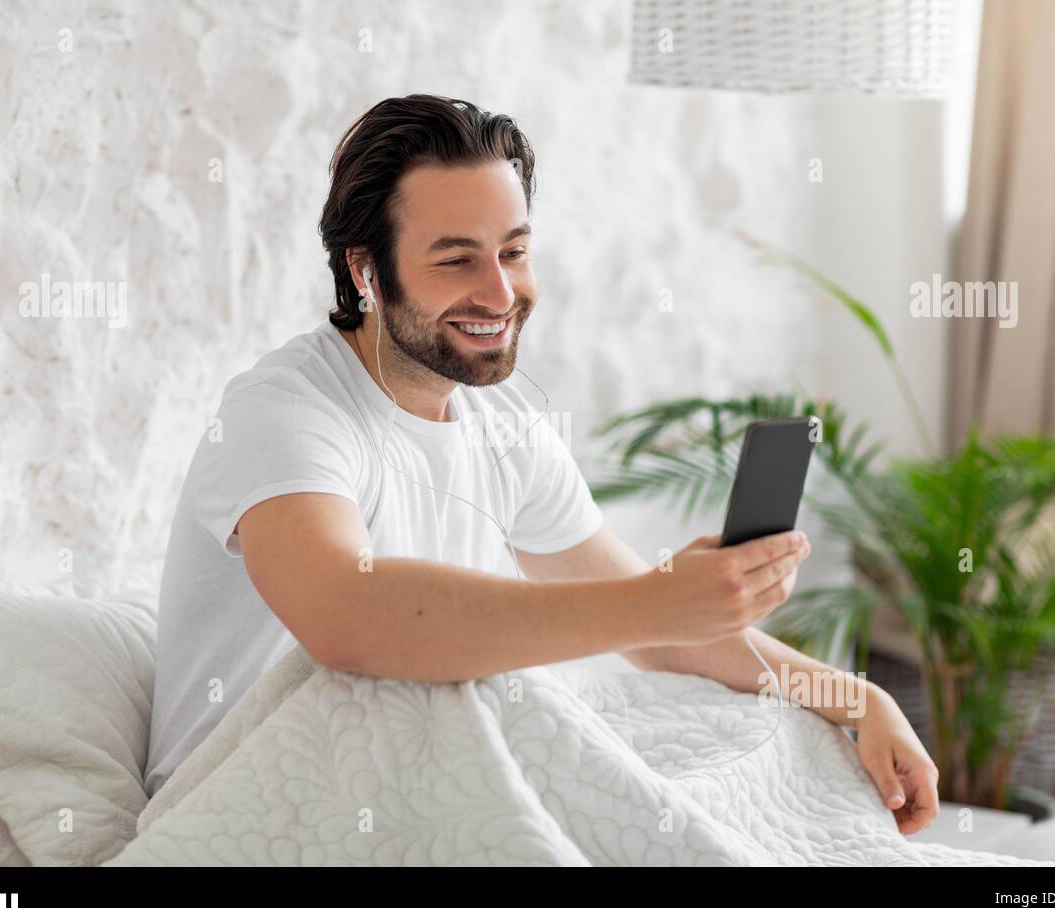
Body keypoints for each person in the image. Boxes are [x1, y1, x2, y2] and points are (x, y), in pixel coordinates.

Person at [143, 93, 938, 837]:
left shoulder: (506, 426)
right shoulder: (284, 412)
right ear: (365, 271)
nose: (500, 293)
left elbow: (662, 635)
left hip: (408, 787)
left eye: (514, 252)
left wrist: (853, 698)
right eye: (456, 260)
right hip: (239, 805)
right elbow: (347, 614)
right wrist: (654, 604)